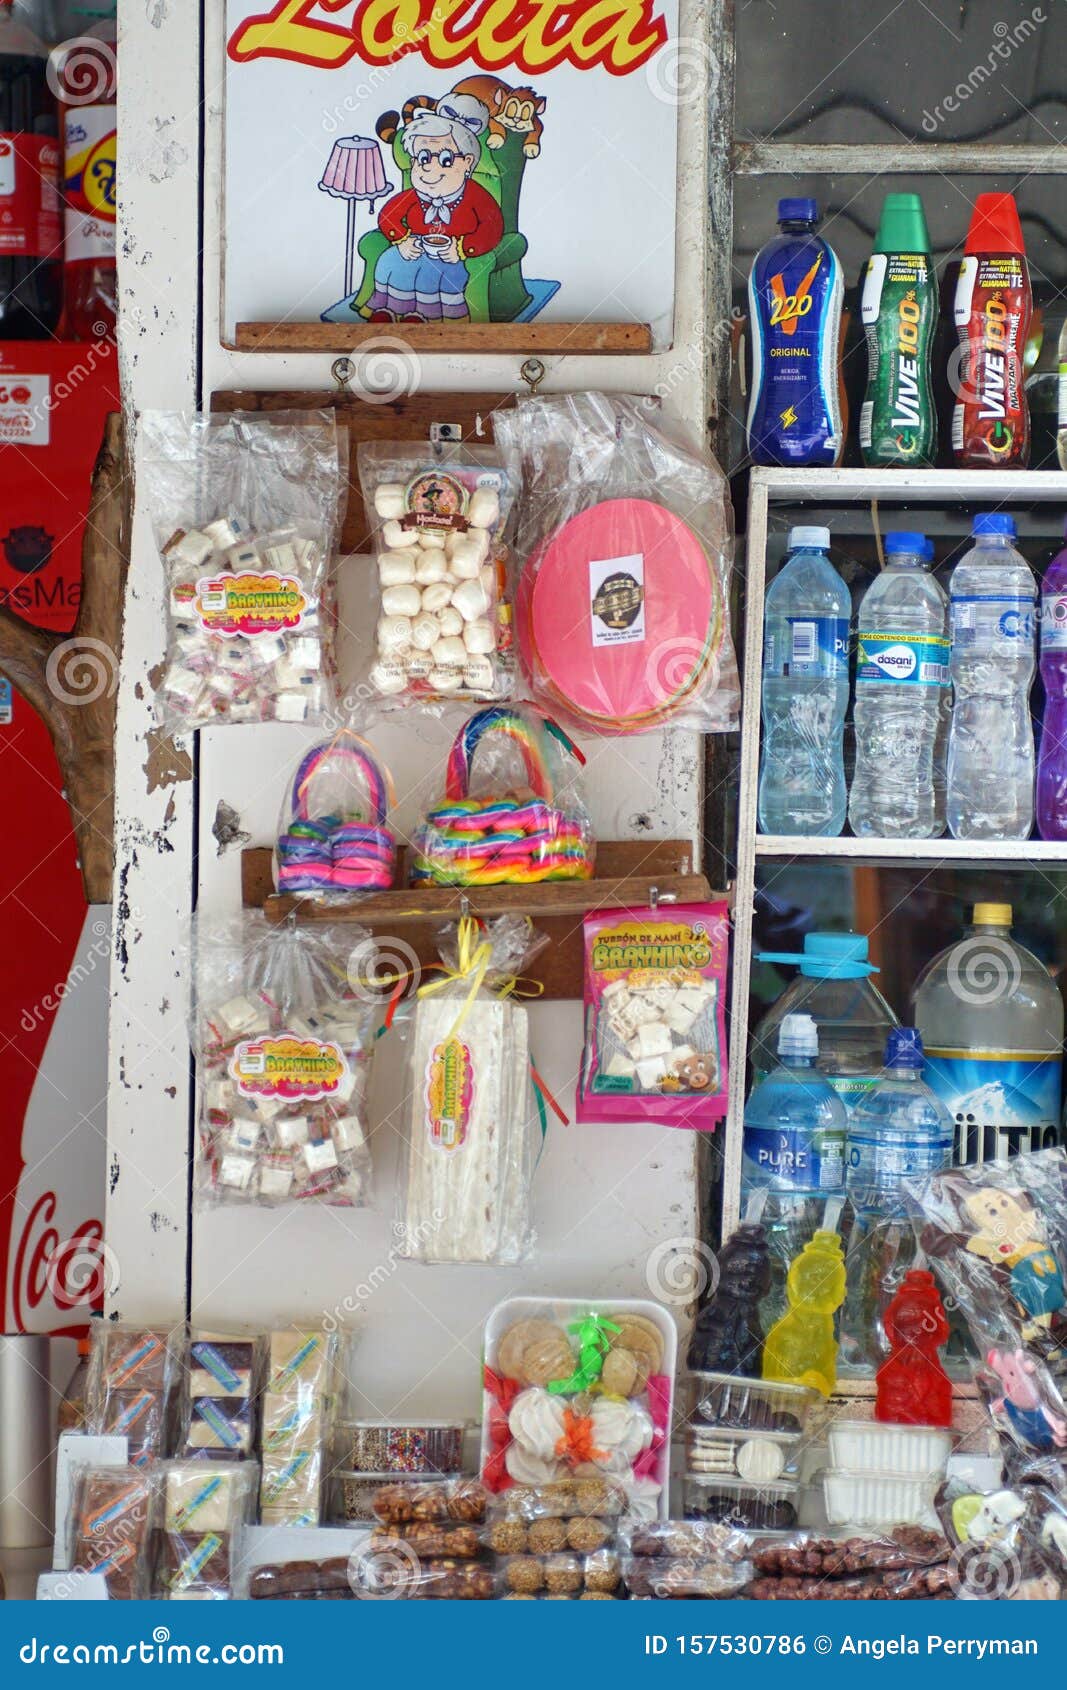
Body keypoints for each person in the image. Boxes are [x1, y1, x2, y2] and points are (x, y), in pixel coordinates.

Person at [366, 104, 503, 323]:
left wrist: (463, 247)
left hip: (451, 251)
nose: (431, 168)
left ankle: (427, 318)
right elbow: (388, 215)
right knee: (389, 262)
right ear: (413, 163)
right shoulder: (414, 195)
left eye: (446, 160)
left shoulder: (476, 195)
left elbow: (492, 226)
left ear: (467, 163)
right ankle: (390, 310)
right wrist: (402, 239)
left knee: (436, 278)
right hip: (417, 244)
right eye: (423, 158)